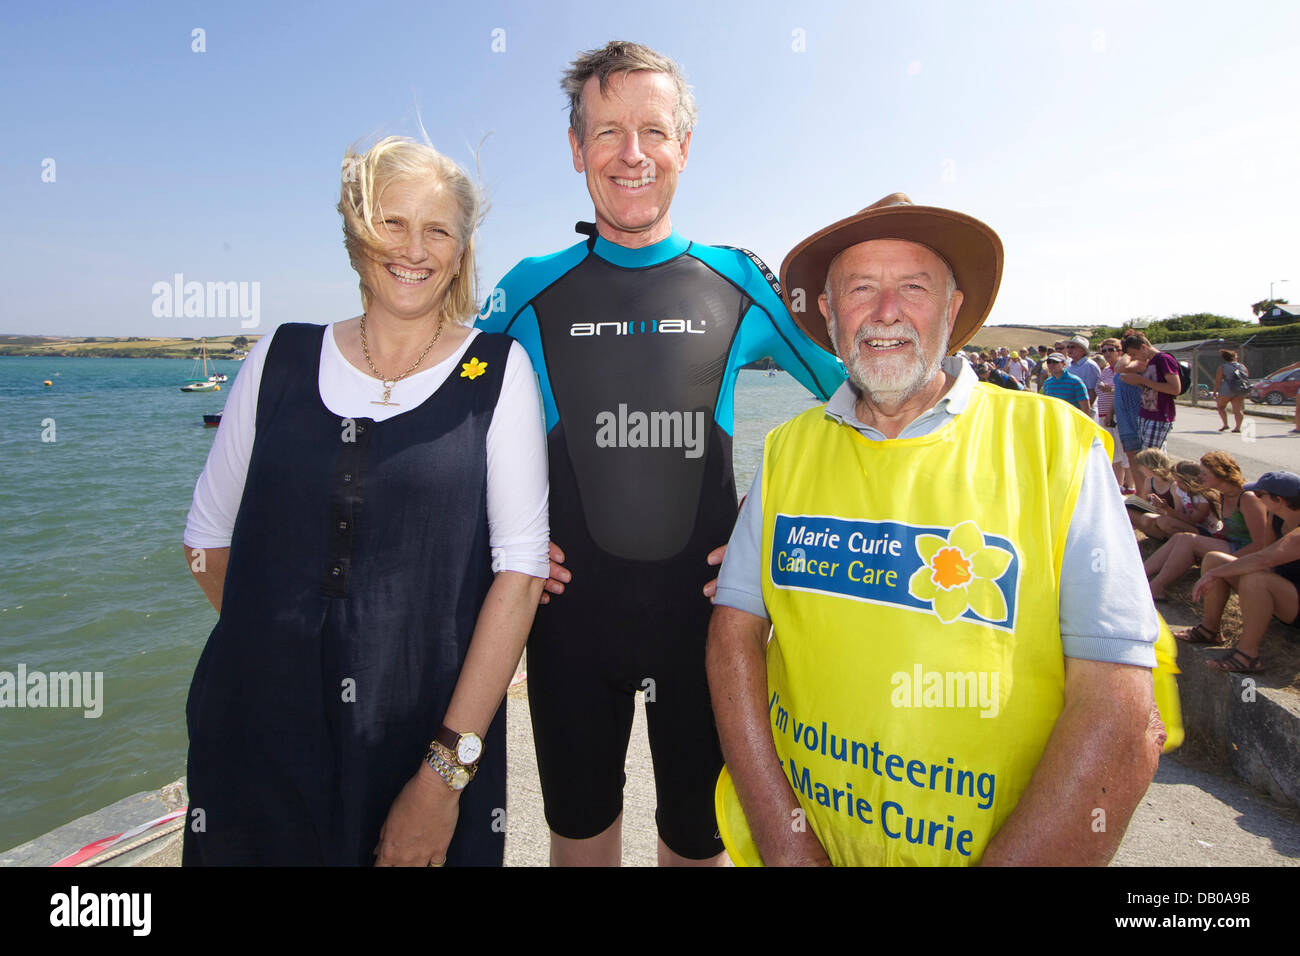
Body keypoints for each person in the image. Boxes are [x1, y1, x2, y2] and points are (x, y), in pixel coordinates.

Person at [707, 193, 1164, 866]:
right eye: (861, 288)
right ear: (830, 314)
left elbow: (1122, 712)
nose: (885, 312)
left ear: (951, 310)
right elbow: (733, 639)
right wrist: (789, 845)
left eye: (913, 288)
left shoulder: (1058, 446)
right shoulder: (787, 449)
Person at [476, 41, 845, 867]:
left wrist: (778, 531)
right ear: (577, 150)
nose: (631, 154)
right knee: (578, 842)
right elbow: (444, 427)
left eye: (652, 130)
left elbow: (862, 400)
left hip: (707, 630)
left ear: (684, 146)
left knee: (695, 843)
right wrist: (508, 542)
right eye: (606, 132)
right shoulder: (527, 287)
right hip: (571, 629)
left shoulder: (737, 281)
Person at [181, 136, 549, 866]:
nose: (414, 248)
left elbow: (522, 578)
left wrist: (443, 781)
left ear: (461, 249)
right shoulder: (277, 359)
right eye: (393, 222)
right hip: (257, 744)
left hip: (425, 745)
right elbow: (206, 543)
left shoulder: (497, 373)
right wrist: (297, 657)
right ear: (356, 227)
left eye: (438, 229)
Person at [1187, 472, 1300, 673]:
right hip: (1284, 590)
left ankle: (1248, 655)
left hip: (1295, 603)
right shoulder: (1276, 516)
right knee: (1215, 559)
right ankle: (1209, 629)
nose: (1256, 499)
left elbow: (1265, 559)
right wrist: (1218, 571)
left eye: (1259, 495)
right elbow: (1264, 553)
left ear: (1278, 499)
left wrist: (1215, 575)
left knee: (1256, 580)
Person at [1147, 451, 1275, 602]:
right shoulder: (1224, 494)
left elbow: (1260, 544)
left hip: (1245, 551)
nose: (1200, 477)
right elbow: (1228, 529)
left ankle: (1153, 588)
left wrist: (1223, 563)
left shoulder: (1247, 498)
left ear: (1221, 474)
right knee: (1181, 538)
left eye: (1204, 473)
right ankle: (1139, 575)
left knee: (1188, 540)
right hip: (1232, 544)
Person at [1119, 332, 1180, 451]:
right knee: (1148, 457)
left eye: (1134, 354)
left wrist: (1141, 380)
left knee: (1149, 459)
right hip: (1146, 413)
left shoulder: (1164, 359)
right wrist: (1138, 382)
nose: (1134, 358)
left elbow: (1175, 389)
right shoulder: (1149, 362)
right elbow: (1152, 388)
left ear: (1143, 347)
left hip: (1160, 415)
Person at [1095, 337, 1133, 492]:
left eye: (1111, 350)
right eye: (1104, 350)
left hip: (1118, 414)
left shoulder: (1123, 368)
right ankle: (1118, 484)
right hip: (1104, 414)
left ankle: (1130, 484)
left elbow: (1122, 389)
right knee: (1114, 451)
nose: (1107, 353)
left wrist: (1109, 390)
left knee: (1125, 452)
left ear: (1119, 351)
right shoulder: (1106, 370)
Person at [1213, 348, 1250, 433]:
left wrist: (1215, 391)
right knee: (1238, 409)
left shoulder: (1223, 367)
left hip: (1226, 389)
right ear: (1233, 357)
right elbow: (1247, 376)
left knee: (1221, 407)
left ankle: (1225, 424)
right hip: (1239, 389)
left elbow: (1218, 380)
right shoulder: (1242, 366)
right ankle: (1237, 427)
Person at [1065, 335, 1099, 416]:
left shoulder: (1089, 366)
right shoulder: (1070, 365)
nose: (1069, 349)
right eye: (1068, 347)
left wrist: (1085, 411)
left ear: (1083, 350)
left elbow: (1093, 391)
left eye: (1073, 347)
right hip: (1071, 410)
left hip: (1082, 411)